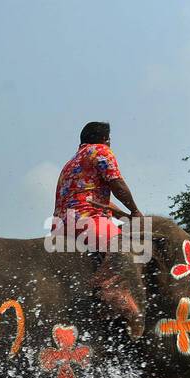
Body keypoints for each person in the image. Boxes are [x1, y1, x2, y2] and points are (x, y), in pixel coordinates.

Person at [52, 121, 145, 335]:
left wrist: (121, 212)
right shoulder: (101, 151)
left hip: (62, 226)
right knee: (127, 246)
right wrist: (135, 210)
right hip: (86, 220)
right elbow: (116, 183)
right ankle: (109, 290)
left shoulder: (72, 162)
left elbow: (90, 197)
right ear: (105, 139)